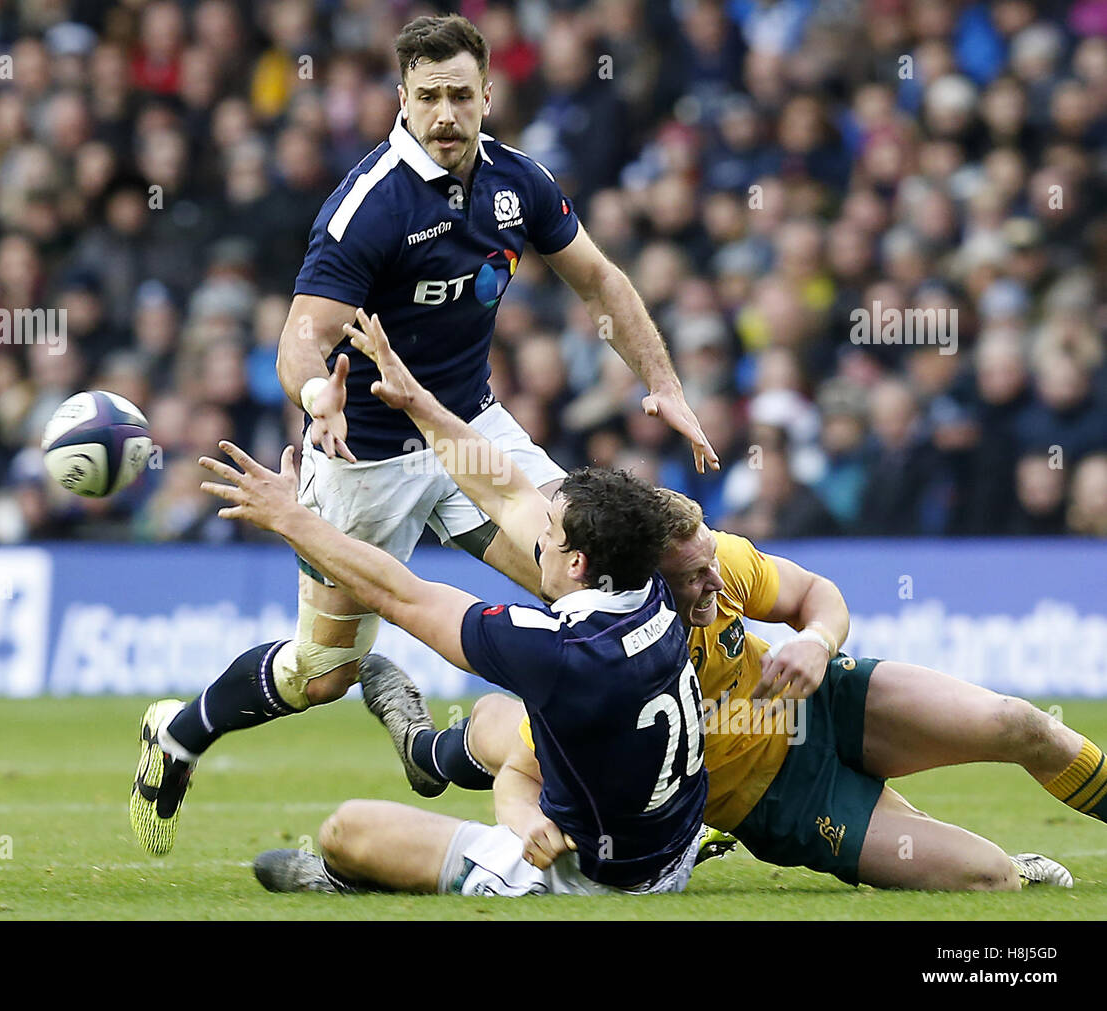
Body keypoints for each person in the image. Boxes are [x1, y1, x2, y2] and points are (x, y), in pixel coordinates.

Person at [130, 13, 717, 855]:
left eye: (461, 95)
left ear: (489, 95)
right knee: (321, 674)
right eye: (429, 96)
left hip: (471, 432)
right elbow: (303, 328)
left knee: (596, 587)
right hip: (363, 455)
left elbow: (599, 279)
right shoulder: (369, 206)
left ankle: (642, 810)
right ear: (402, 99)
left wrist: (662, 382)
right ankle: (180, 731)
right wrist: (314, 394)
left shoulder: (518, 184)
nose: (446, 113)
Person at [342, 307, 1080, 892]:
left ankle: (428, 748)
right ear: (641, 576)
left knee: (1020, 723)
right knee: (990, 878)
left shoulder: (713, 557)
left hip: (817, 703)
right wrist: (526, 822)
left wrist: (817, 642)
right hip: (776, 798)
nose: (716, 585)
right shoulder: (610, 649)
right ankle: (428, 751)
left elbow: (816, 593)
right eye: (694, 578)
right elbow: (528, 772)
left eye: (710, 563)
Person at [194, 434, 706, 897]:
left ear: (578, 564)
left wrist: (290, 518)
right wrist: (418, 402)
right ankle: (424, 753)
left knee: (347, 830)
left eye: (550, 532)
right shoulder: (647, 587)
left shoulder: (561, 653)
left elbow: (400, 596)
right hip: (670, 841)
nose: (539, 541)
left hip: (595, 876)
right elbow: (515, 497)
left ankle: (348, 880)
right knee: (490, 717)